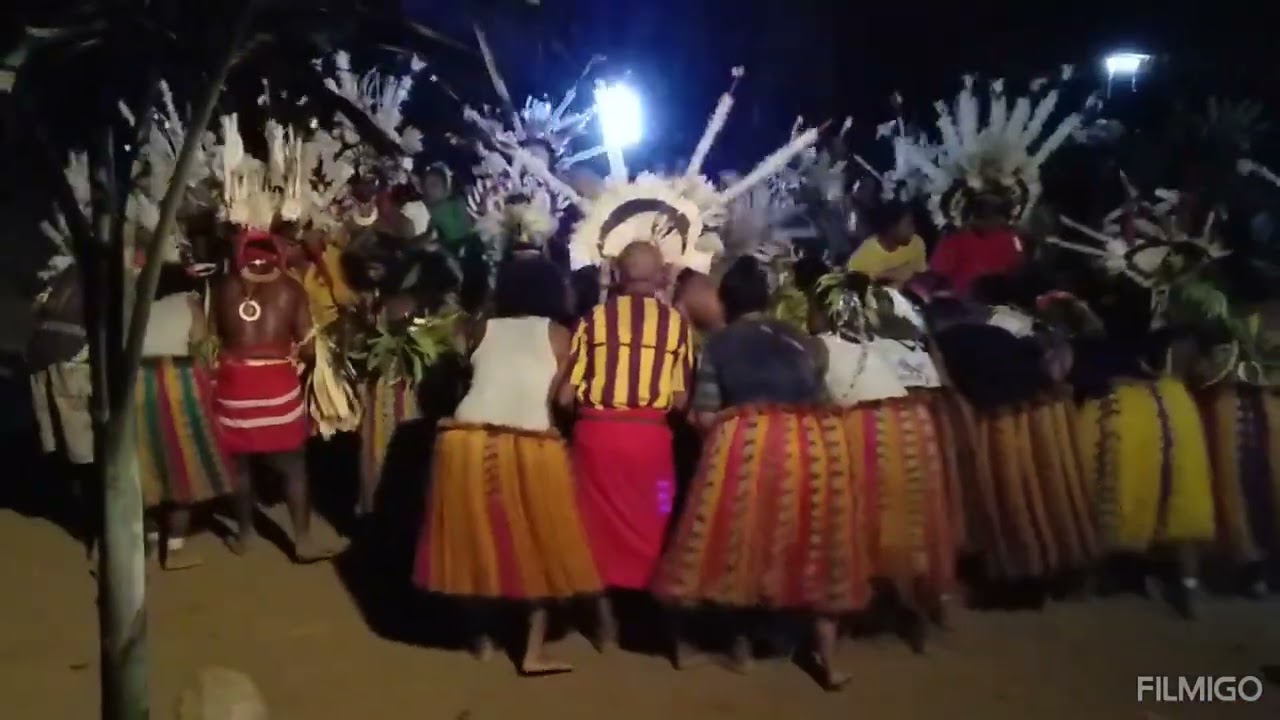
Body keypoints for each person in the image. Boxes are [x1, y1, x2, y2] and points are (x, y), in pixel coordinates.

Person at [651, 256, 864, 691]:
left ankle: (741, 649)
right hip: (812, 448)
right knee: (818, 547)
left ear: (726, 303)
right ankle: (828, 659)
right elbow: (824, 404)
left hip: (748, 449)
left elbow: (705, 417)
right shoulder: (802, 341)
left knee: (738, 545)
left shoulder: (719, 344)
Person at [413, 256, 601, 674]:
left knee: (470, 542)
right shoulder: (559, 335)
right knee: (541, 548)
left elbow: (466, 374)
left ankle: (480, 640)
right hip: (532, 442)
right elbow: (559, 399)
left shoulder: (480, 328)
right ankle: (532, 653)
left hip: (467, 439)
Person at [562, 241, 693, 650]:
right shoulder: (677, 325)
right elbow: (681, 400)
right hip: (651, 445)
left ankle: (604, 626)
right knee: (660, 518)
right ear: (660, 278)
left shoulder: (592, 321)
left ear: (616, 276)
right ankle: (661, 626)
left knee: (591, 529)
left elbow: (565, 396)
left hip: (596, 442)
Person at [212, 231, 335, 563]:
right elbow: (308, 347)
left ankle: (244, 536)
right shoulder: (291, 289)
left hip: (234, 385)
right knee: (293, 468)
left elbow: (213, 338)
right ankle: (304, 541)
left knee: (238, 468)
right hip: (277, 385)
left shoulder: (223, 287)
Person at [929, 193, 1027, 297]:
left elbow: (1020, 266)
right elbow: (938, 269)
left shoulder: (1012, 239)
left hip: (989, 300)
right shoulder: (956, 238)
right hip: (965, 300)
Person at [846, 200, 927, 288]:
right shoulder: (859, 261)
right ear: (891, 228)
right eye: (908, 224)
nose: (913, 229)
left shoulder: (916, 243)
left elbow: (921, 276)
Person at [419, 163, 473, 250]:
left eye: (434, 185)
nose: (429, 189)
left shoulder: (457, 203)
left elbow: (465, 228)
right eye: (426, 185)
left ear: (446, 188)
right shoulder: (426, 209)